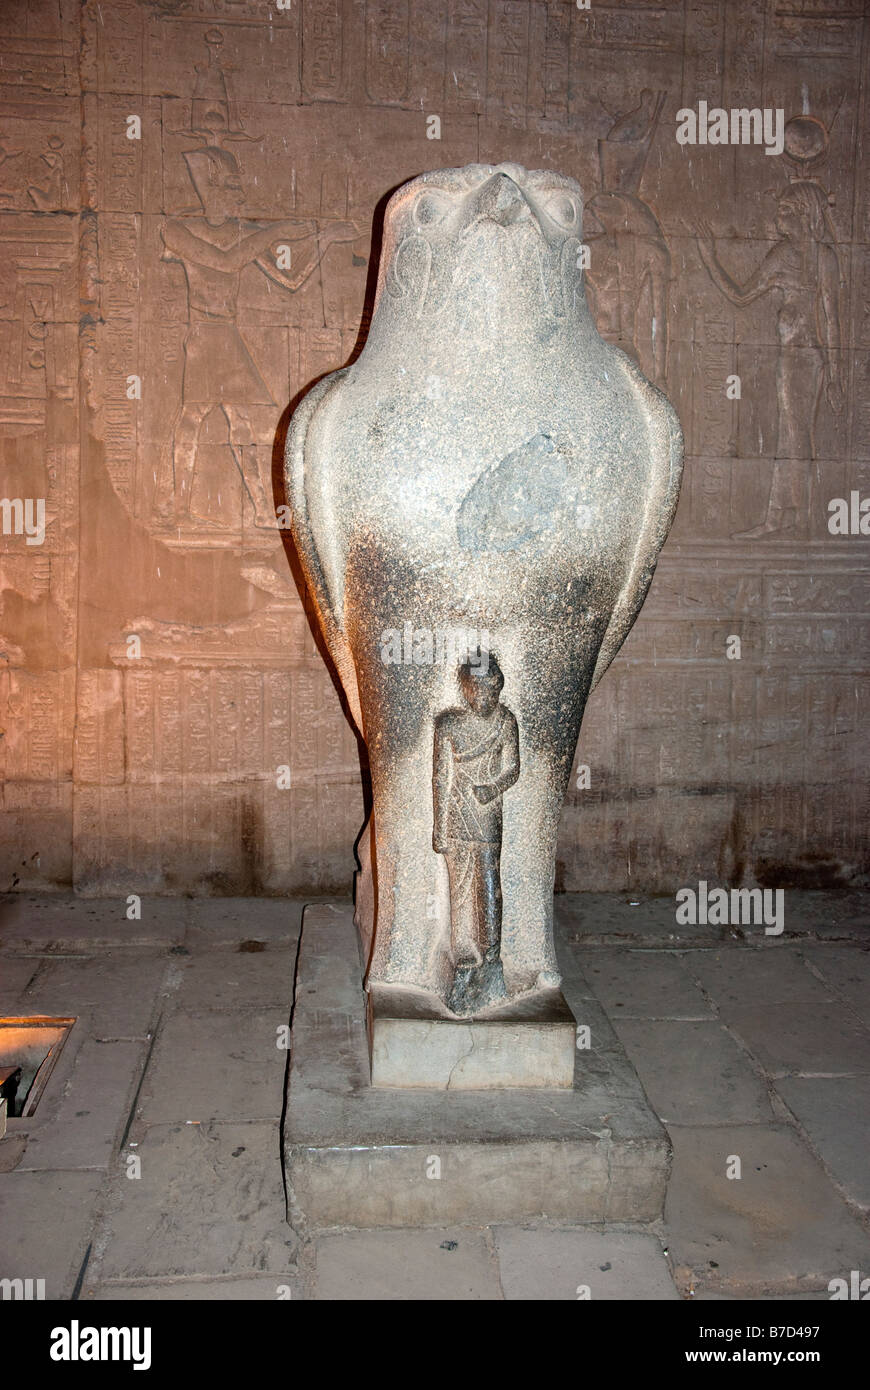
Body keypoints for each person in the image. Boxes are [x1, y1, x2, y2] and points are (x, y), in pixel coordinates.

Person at [432, 656, 519, 1013]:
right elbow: (440, 778)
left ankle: (492, 953)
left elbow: (513, 768)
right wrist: (438, 826)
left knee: (488, 883)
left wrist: (493, 787)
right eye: (480, 691)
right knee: (460, 887)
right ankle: (464, 955)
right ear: (467, 691)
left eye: (492, 691)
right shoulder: (448, 723)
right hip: (457, 816)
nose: (486, 698)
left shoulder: (505, 721)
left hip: (487, 817)